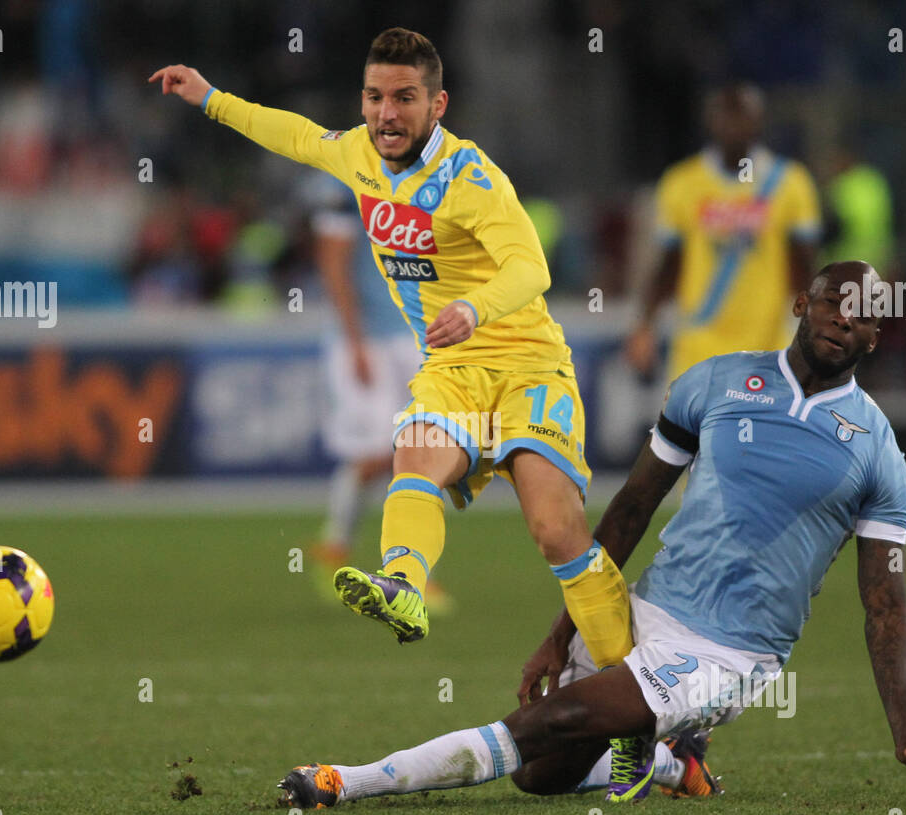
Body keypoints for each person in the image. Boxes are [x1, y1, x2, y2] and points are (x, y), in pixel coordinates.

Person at [276, 261, 906, 810]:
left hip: (728, 653)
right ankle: (674, 759)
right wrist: (564, 626)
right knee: (541, 776)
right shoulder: (714, 384)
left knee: (555, 719)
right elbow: (633, 507)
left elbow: (886, 604)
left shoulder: (876, 449)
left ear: (876, 338)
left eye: (863, 319)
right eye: (833, 303)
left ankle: (347, 781)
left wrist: (905, 731)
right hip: (642, 611)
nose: (843, 322)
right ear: (803, 305)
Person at [150, 32, 634, 699]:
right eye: (375, 97)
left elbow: (532, 267)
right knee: (414, 455)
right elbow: (293, 135)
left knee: (555, 533)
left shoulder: (473, 180)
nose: (386, 114)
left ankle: (633, 686)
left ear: (437, 104)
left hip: (527, 365)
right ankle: (403, 585)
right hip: (451, 369)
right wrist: (211, 99)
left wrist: (474, 308)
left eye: (404, 98)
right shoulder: (359, 154)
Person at [300, 171, 450, 612]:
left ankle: (409, 576)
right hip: (368, 340)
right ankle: (337, 548)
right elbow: (333, 261)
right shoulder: (347, 179)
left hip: (412, 337)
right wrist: (355, 341)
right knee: (376, 456)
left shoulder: (435, 175)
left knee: (422, 452)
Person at [625, 84, 820, 385]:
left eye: (742, 115)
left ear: (759, 121)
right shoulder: (682, 183)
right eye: (726, 116)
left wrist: (815, 333)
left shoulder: (790, 183)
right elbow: (669, 265)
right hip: (698, 350)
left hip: (766, 351)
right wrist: (645, 325)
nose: (734, 125)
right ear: (710, 121)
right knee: (693, 431)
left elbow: (804, 269)